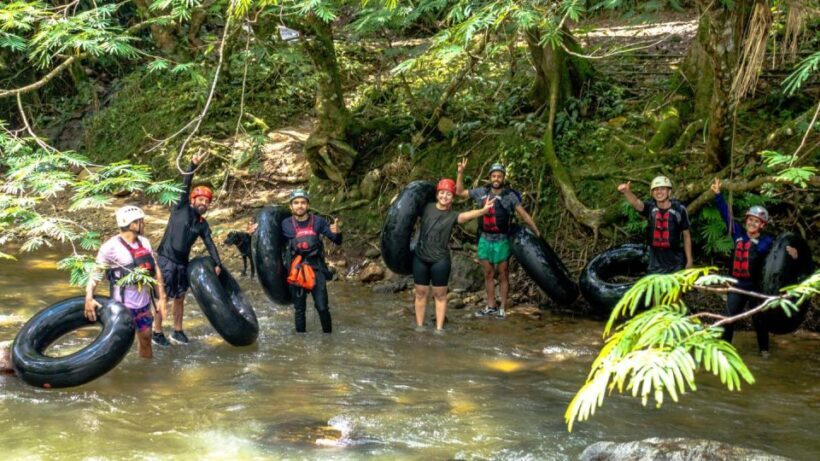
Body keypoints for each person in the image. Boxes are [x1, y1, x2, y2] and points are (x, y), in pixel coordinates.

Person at [710, 178, 798, 357]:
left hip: (756, 287)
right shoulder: (738, 235)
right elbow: (726, 215)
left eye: (756, 221)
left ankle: (764, 350)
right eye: (750, 220)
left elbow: (782, 255)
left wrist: (793, 253)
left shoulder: (768, 241)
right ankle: (725, 350)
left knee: (760, 320)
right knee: (728, 317)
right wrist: (718, 196)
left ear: (762, 225)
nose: (752, 223)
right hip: (737, 286)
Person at [455, 160, 540, 319]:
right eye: (493, 176)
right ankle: (490, 306)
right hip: (485, 239)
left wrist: (536, 231)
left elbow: (524, 215)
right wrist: (460, 172)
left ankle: (502, 307)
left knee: (503, 274)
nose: (496, 178)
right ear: (489, 177)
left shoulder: (510, 197)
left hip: (502, 240)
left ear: (503, 178)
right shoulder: (481, 192)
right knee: (488, 273)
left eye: (499, 176)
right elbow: (459, 192)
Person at [154, 152, 223, 346]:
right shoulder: (181, 207)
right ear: (193, 200)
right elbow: (185, 185)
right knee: (164, 296)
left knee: (180, 298)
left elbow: (209, 242)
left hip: (182, 263)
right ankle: (157, 332)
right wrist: (192, 165)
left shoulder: (202, 223)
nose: (203, 203)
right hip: (166, 259)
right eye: (200, 199)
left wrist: (217, 263)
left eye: (207, 201)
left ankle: (177, 331)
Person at [85, 206, 167, 359]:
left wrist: (161, 299)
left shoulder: (145, 242)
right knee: (116, 346)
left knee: (146, 338)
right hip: (121, 307)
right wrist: (89, 298)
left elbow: (155, 270)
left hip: (143, 304)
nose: (144, 224)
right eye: (140, 221)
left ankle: (145, 374)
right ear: (132, 225)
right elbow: (96, 273)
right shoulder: (110, 247)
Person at [414, 178, 496, 331]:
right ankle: (419, 327)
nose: (444, 196)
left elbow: (467, 215)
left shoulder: (453, 215)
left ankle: (439, 329)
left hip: (440, 260)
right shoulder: (427, 207)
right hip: (421, 258)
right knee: (420, 293)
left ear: (452, 197)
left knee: (440, 295)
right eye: (442, 193)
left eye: (448, 194)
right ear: (437, 194)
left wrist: (483, 211)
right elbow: (409, 208)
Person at [281, 189, 342, 333]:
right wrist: (254, 233)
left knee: (322, 307)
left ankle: (328, 340)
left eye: (303, 202)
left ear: (308, 205)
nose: (299, 206)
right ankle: (301, 346)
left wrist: (337, 232)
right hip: (297, 270)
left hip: (316, 269)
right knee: (299, 310)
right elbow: (272, 243)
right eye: (296, 203)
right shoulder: (285, 224)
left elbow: (337, 240)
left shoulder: (318, 222)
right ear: (291, 206)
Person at [617, 176, 693, 274]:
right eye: (656, 189)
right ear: (652, 193)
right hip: (655, 260)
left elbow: (686, 235)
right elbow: (636, 203)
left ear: (669, 192)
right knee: (656, 287)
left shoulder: (680, 210)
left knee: (676, 288)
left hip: (675, 259)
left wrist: (689, 260)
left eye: (662, 189)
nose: (659, 192)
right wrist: (627, 192)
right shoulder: (650, 207)